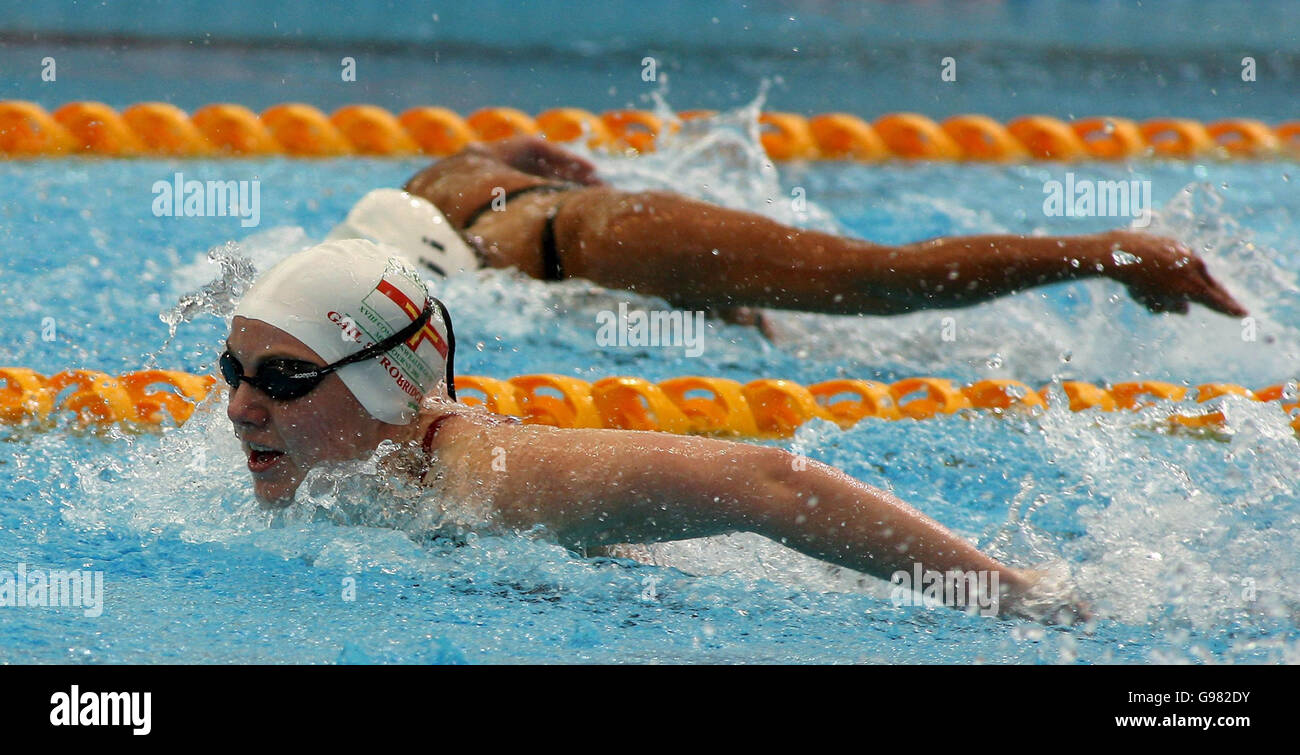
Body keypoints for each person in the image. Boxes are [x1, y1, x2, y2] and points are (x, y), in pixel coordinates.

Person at [225, 239, 1085, 623]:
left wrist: (1007, 594)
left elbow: (771, 482)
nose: (240, 407)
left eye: (284, 378)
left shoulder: (495, 478)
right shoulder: (341, 465)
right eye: (233, 370)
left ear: (388, 385)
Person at [325, 135, 1247, 324]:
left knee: (878, 280)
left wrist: (1117, 255)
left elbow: (885, 278)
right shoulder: (442, 180)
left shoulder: (594, 245)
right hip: (602, 228)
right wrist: (539, 154)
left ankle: (1121, 250)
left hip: (620, 235)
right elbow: (506, 144)